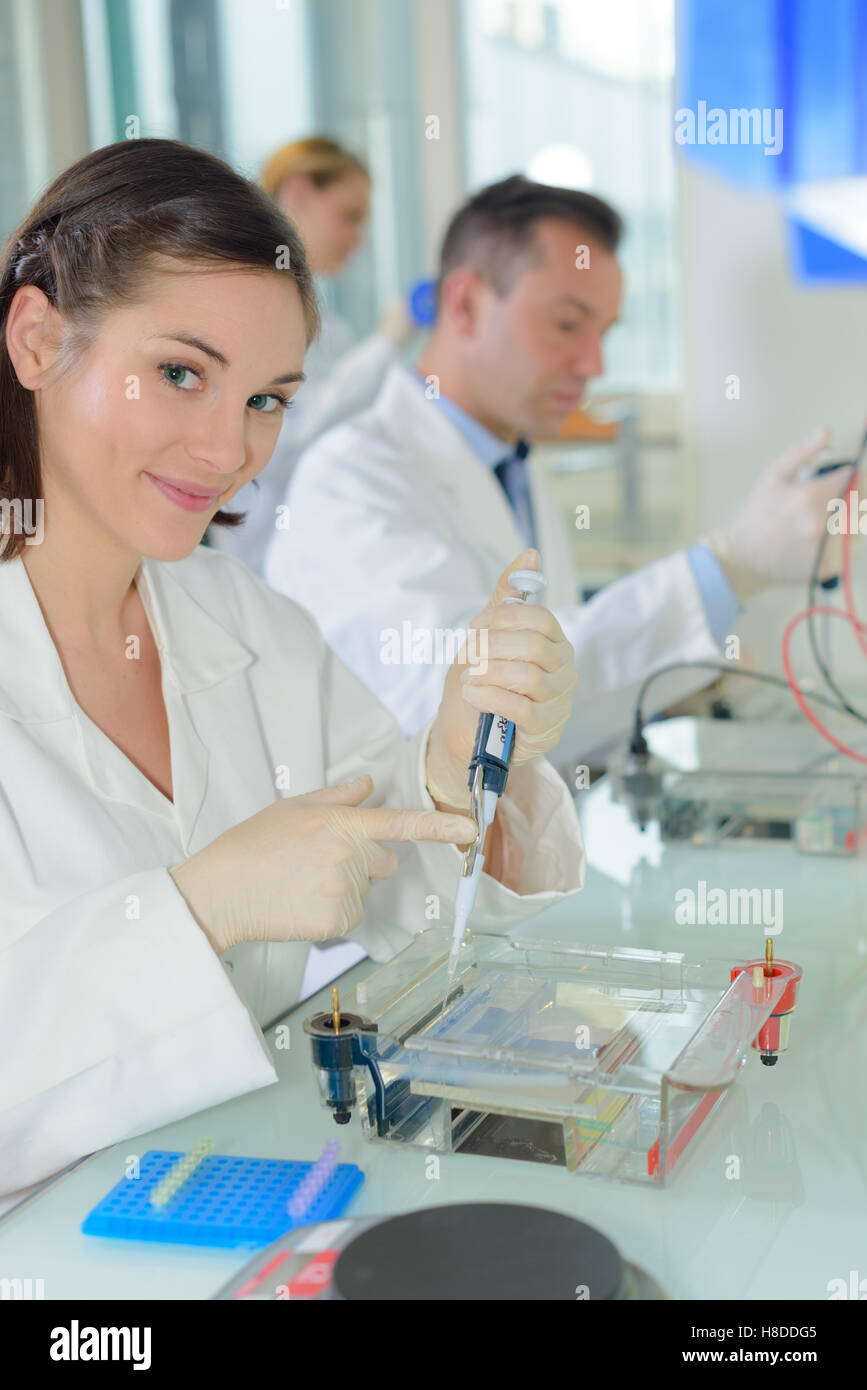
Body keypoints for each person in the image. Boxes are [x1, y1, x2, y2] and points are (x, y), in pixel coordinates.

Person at [0, 142, 584, 1205]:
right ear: (38, 340)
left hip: (238, 1213)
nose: (229, 449)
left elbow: (409, 891)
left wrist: (457, 757)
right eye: (182, 373)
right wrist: (199, 905)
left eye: (267, 399)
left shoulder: (243, 619)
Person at [264, 175, 843, 761]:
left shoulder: (511, 470)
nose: (593, 364)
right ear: (464, 303)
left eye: (604, 334)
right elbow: (466, 704)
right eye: (568, 324)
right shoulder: (349, 481)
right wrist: (729, 567)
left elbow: (545, 711)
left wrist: (666, 688)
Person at [208, 136, 415, 573]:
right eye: (349, 217)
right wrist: (388, 342)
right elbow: (295, 429)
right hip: (261, 556)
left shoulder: (326, 323)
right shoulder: (247, 302)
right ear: (298, 192)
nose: (358, 238)